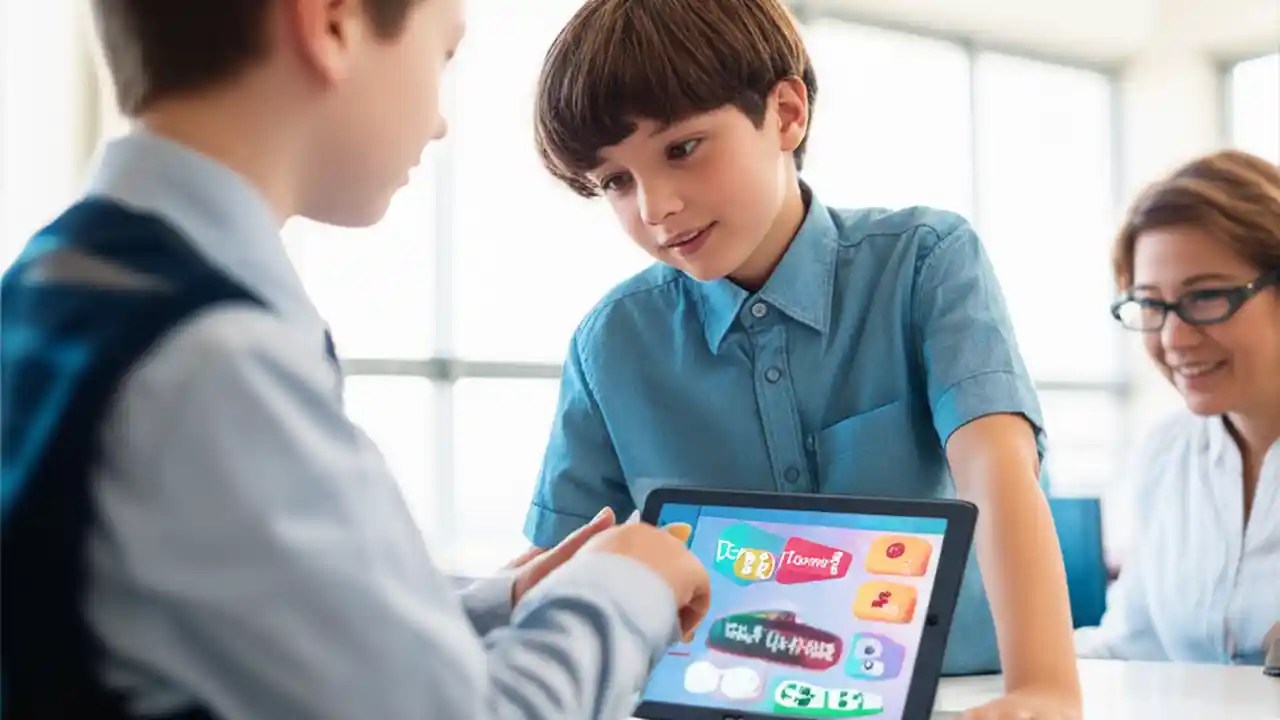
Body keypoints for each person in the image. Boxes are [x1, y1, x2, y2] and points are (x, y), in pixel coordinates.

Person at [0, 1, 710, 718]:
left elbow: (269, 653)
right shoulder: (213, 363)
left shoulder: (53, 286)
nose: (439, 122)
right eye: (443, 55)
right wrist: (625, 588)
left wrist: (512, 605)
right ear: (331, 25)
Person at [523, 1, 1081, 717]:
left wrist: (1045, 691)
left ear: (787, 113)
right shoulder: (612, 342)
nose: (656, 207)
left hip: (961, 693)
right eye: (615, 183)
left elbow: (1000, 473)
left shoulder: (925, 262)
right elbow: (560, 569)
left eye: (682, 148)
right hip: (725, 701)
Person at [1075, 150, 1280, 664]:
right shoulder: (1169, 451)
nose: (1173, 337)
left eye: (1205, 296)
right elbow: (1131, 647)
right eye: (1151, 304)